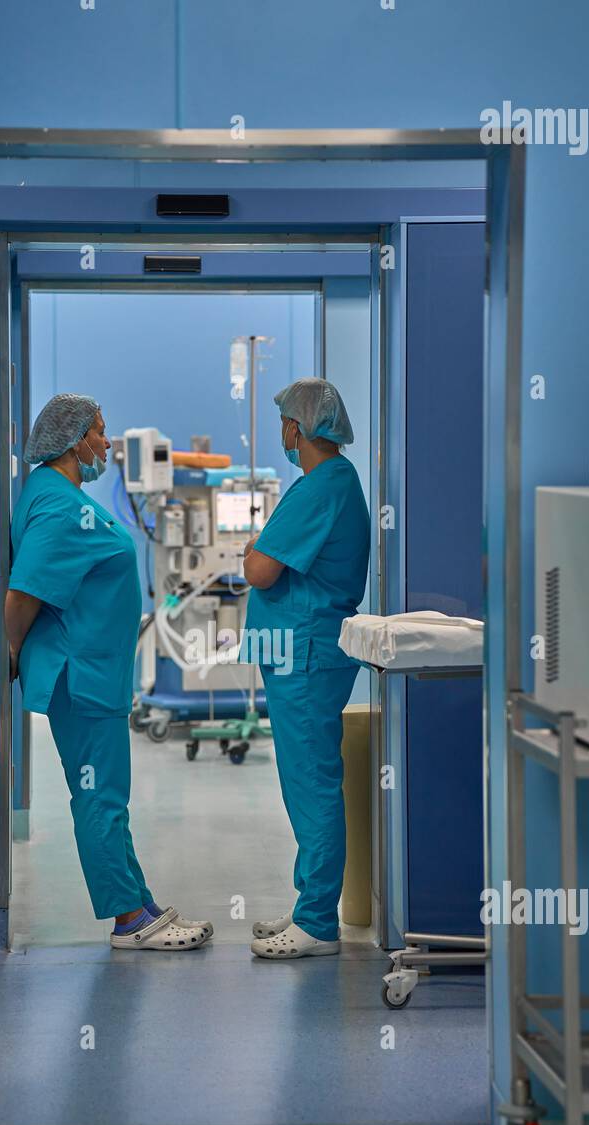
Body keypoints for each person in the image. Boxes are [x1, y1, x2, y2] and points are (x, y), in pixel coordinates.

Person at [5, 392, 211, 950]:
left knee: (109, 794)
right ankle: (127, 921)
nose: (107, 442)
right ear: (74, 442)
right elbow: (25, 589)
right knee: (98, 796)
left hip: (95, 672)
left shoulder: (60, 495)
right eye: (99, 432)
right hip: (82, 675)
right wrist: (11, 648)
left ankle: (139, 902)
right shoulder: (56, 502)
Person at [243, 378, 370, 959]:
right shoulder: (319, 485)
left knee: (313, 782)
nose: (282, 433)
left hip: (307, 653)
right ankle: (308, 906)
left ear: (299, 428)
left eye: (284, 423)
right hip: (295, 650)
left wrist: (254, 552)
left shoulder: (325, 485)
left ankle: (319, 921)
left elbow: (261, 569)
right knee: (302, 782)